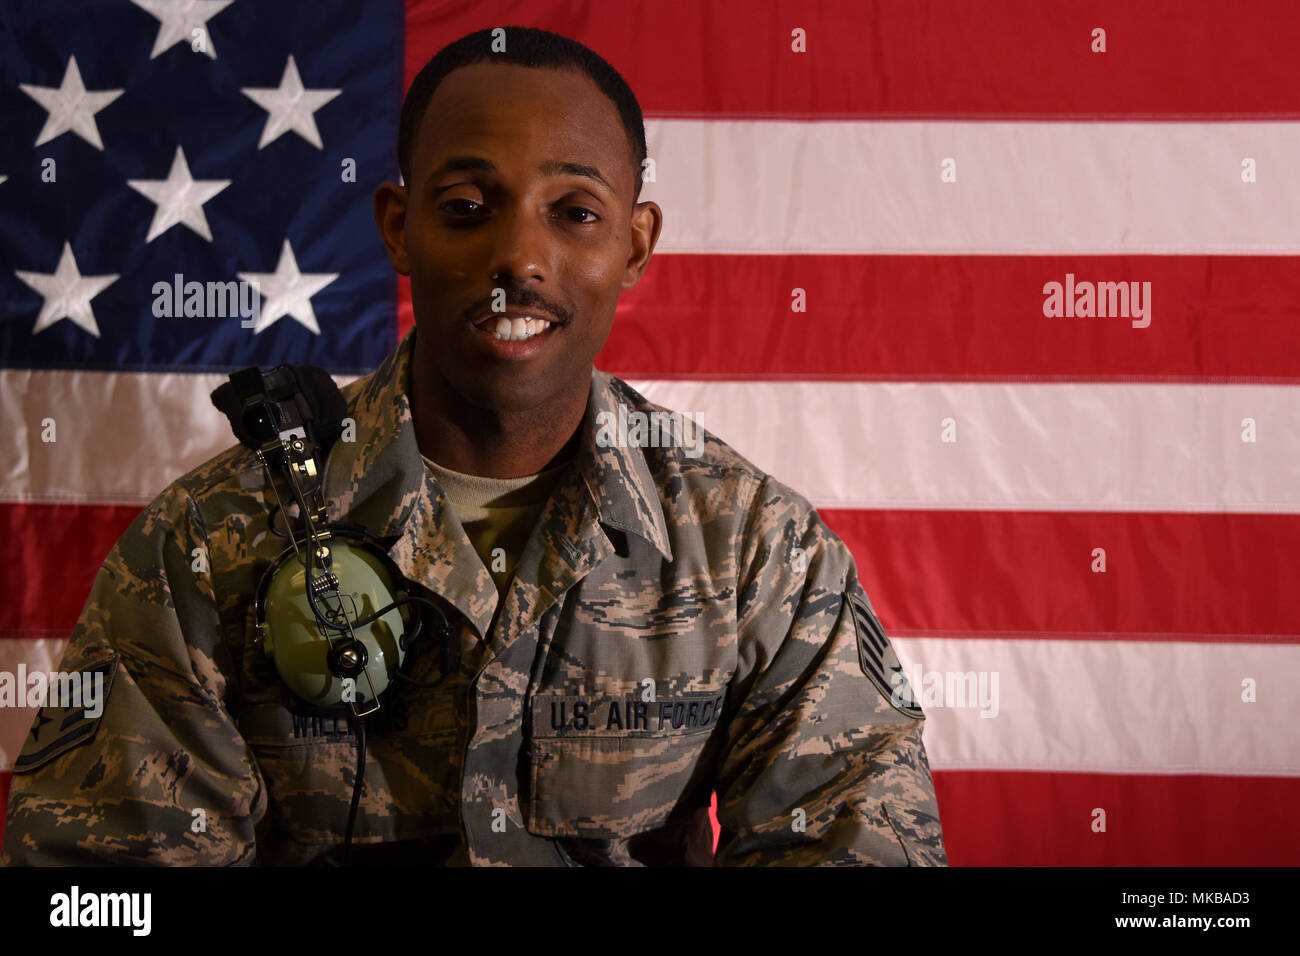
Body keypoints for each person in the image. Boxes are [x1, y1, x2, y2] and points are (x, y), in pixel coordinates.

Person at [1, 26, 947, 866]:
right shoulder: (207, 548)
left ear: (635, 242)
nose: (519, 261)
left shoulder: (753, 550)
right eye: (465, 206)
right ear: (397, 227)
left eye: (574, 212)